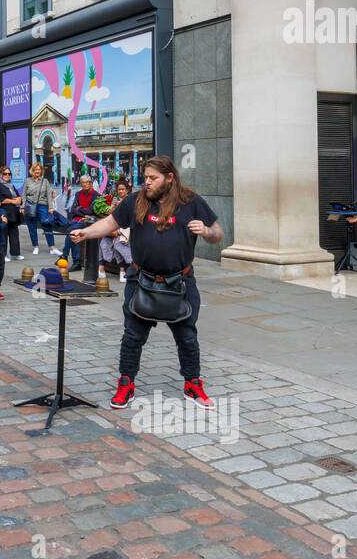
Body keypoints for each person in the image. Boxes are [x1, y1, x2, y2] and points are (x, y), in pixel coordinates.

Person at [71, 155, 221, 412]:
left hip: (180, 283)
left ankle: (192, 384)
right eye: (146, 177)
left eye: (153, 178)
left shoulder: (190, 201)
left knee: (187, 337)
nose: (147, 183)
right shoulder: (136, 201)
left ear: (169, 178)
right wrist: (87, 232)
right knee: (132, 336)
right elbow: (110, 223)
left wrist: (206, 232)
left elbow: (217, 232)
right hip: (141, 281)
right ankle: (126, 383)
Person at [64, 173, 101, 272]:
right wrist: (82, 211)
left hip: (87, 222)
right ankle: (75, 261)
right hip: (77, 219)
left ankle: (68, 258)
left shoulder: (96, 196)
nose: (84, 185)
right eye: (82, 183)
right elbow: (73, 209)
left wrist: (79, 208)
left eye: (86, 182)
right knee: (71, 231)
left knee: (71, 231)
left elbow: (91, 211)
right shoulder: (78, 194)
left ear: (90, 183)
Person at [22, 162, 56, 255]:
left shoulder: (45, 181)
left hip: (42, 205)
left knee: (47, 225)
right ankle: (35, 246)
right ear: (32, 170)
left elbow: (49, 195)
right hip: (30, 206)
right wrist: (22, 207)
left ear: (41, 170)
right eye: (36, 169)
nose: (37, 171)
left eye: (39, 169)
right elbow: (24, 195)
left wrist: (50, 207)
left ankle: (52, 247)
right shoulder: (27, 180)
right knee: (32, 227)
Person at [0, 165, 24, 261]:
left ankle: (15, 253)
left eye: (9, 174)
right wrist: (12, 201)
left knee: (14, 233)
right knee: (3, 234)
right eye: (5, 173)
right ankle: (3, 255)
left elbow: (18, 196)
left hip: (14, 213)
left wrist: (19, 199)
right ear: (1, 174)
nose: (7, 175)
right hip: (4, 212)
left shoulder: (11, 185)